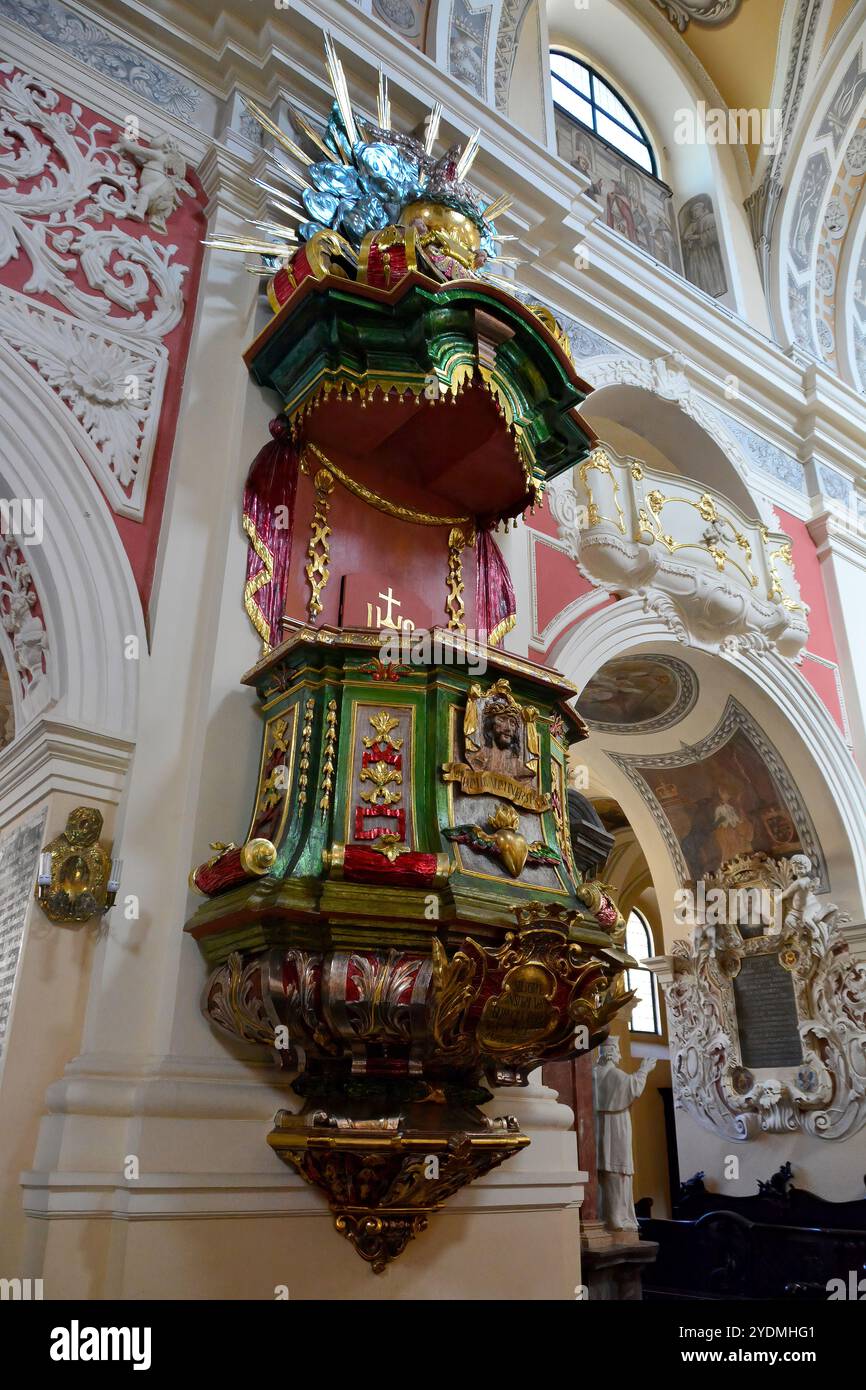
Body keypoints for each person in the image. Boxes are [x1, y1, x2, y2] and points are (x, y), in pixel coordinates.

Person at [595, 1035, 656, 1233]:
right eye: (618, 1051)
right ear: (612, 1053)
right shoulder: (614, 1075)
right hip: (616, 1126)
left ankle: (611, 1214)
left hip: (600, 1124)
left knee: (607, 1171)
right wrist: (644, 1069)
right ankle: (616, 1216)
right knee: (618, 1169)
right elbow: (633, 1087)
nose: (620, 1055)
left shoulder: (593, 1074)